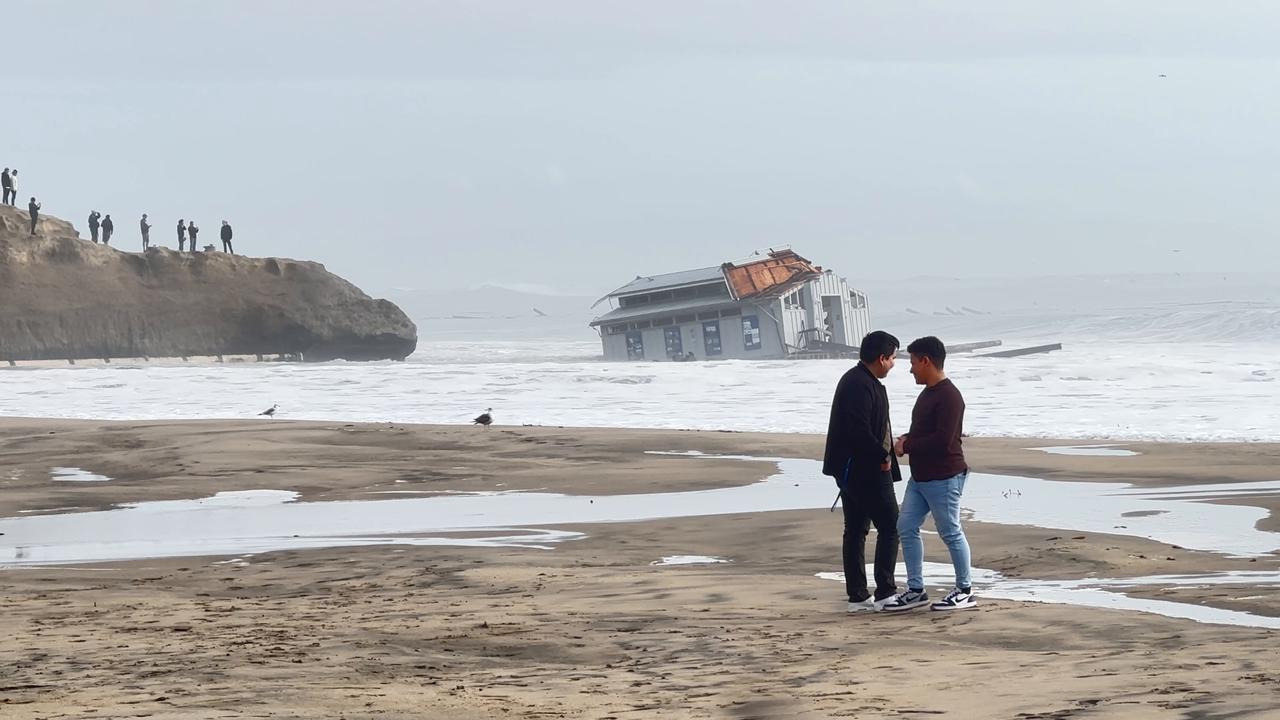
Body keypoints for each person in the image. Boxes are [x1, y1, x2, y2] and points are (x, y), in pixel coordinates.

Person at [881, 336, 975, 613]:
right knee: (906, 527)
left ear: (926, 361)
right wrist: (907, 438)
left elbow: (944, 440)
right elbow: (926, 432)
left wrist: (906, 445)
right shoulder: (928, 393)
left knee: (950, 532)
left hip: (945, 476)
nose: (910, 369)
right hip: (921, 478)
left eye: (912, 362)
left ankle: (965, 590)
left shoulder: (950, 396)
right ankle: (916, 590)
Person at [822, 330, 903, 613]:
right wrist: (883, 455)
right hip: (862, 469)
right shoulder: (859, 383)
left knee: (855, 529)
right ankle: (885, 592)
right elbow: (858, 431)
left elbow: (869, 427)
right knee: (891, 526)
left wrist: (890, 446)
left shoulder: (860, 380)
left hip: (852, 468)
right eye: (892, 359)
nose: (893, 364)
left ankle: (858, 596)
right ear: (881, 358)